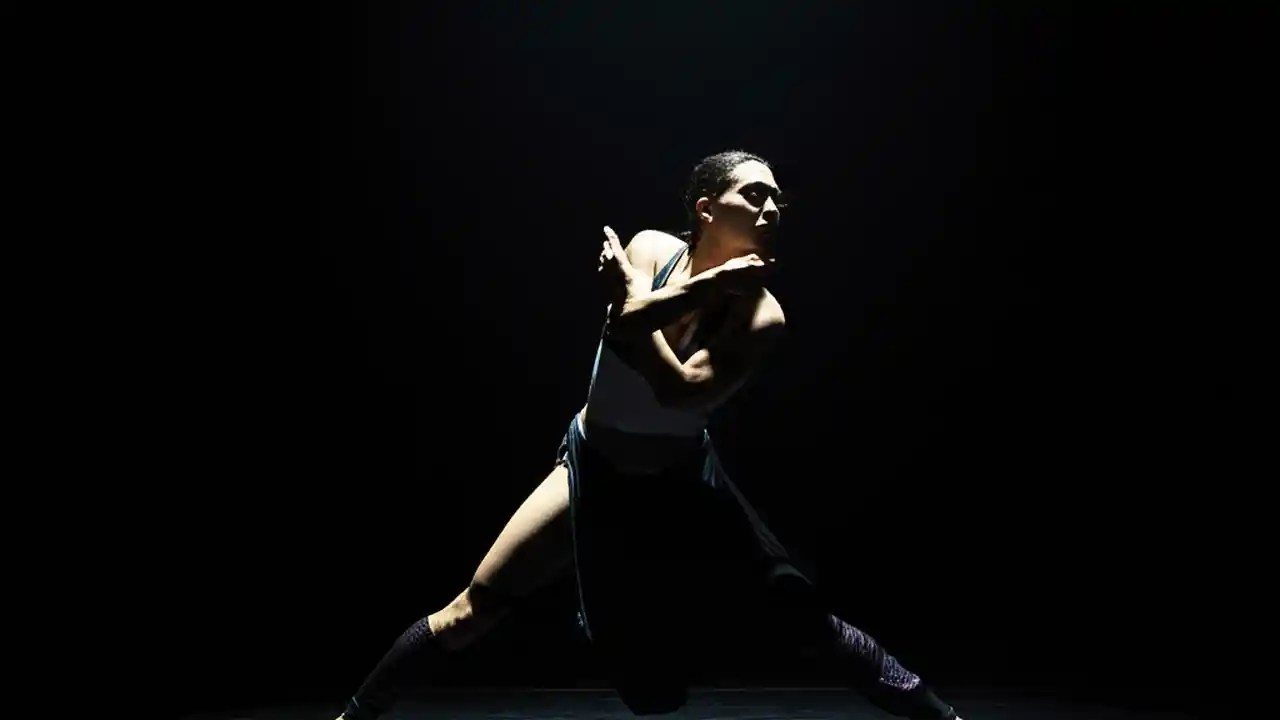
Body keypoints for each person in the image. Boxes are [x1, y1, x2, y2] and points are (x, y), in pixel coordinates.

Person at [336, 150, 962, 720]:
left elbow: (679, 387)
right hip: (593, 461)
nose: (772, 209)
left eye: (777, 200)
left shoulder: (763, 315)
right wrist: (701, 286)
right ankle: (354, 717)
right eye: (754, 196)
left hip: (682, 478)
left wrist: (639, 308)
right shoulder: (653, 247)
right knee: (476, 606)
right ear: (706, 208)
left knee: (801, 617)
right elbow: (627, 322)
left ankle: (942, 717)